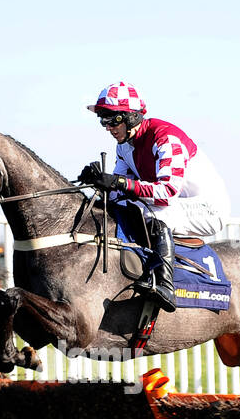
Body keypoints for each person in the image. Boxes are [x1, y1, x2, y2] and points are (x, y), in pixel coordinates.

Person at [77, 82, 231, 312]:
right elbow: (121, 192)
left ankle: (165, 285)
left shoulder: (165, 138)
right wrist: (102, 185)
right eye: (103, 120)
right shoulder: (124, 146)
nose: (107, 127)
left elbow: (166, 193)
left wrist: (118, 182)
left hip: (208, 208)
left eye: (112, 119)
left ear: (131, 117)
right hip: (175, 203)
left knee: (156, 211)